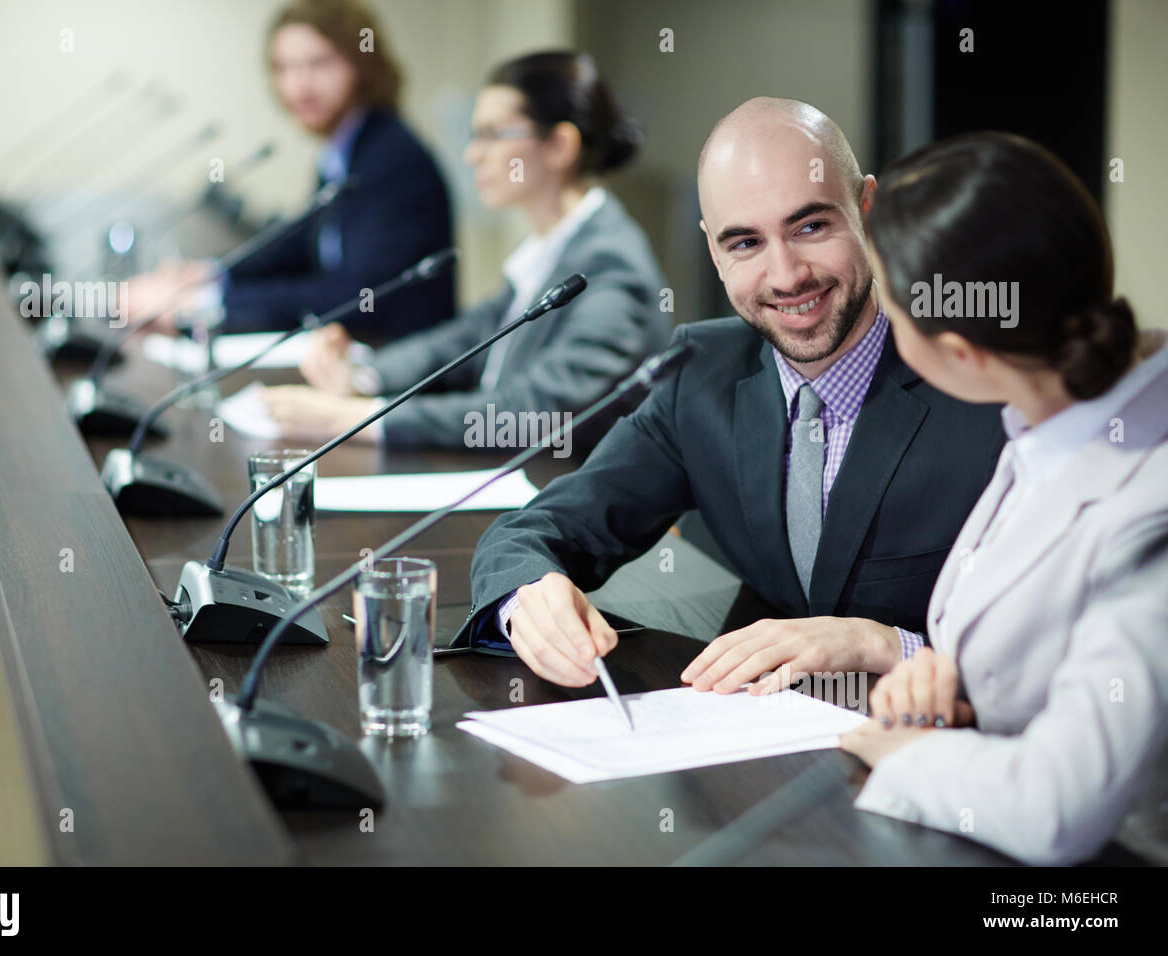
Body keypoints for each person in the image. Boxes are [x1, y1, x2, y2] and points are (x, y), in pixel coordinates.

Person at [452, 97, 1006, 689]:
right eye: (745, 244)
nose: (787, 275)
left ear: (869, 212)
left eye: (811, 227)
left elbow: (1064, 654)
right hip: (759, 747)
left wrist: (886, 645)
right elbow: (532, 531)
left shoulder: (985, 389)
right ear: (714, 252)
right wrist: (529, 597)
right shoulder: (700, 373)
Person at [839, 132, 1168, 865]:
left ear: (960, 353)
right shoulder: (1048, 417)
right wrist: (960, 672)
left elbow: (1058, 808)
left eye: (890, 313)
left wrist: (905, 755)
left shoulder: (1151, 505)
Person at [258, 50, 670, 451]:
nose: (473, 155)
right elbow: (465, 338)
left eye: (492, 135)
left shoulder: (612, 264)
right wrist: (363, 377)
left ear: (560, 145)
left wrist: (356, 420)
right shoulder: (553, 244)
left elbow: (534, 412)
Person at [125, 0, 454, 339]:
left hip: (405, 369)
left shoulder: (392, 158)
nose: (299, 86)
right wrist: (212, 275)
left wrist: (206, 301)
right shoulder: (346, 146)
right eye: (284, 68)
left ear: (361, 63)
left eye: (318, 63)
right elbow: (301, 246)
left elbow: (360, 295)